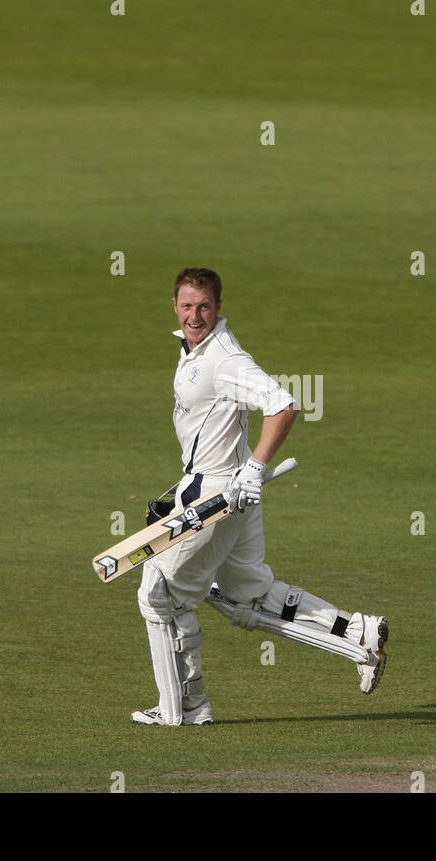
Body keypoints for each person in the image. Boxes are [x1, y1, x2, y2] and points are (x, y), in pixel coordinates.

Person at [131, 267, 389, 726]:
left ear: (219, 307)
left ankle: (183, 709)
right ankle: (355, 632)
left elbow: (283, 405)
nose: (195, 315)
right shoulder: (195, 348)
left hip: (219, 491)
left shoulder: (224, 358)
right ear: (174, 306)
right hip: (223, 491)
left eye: (204, 306)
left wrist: (253, 466)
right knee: (243, 595)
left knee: (160, 594)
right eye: (187, 306)